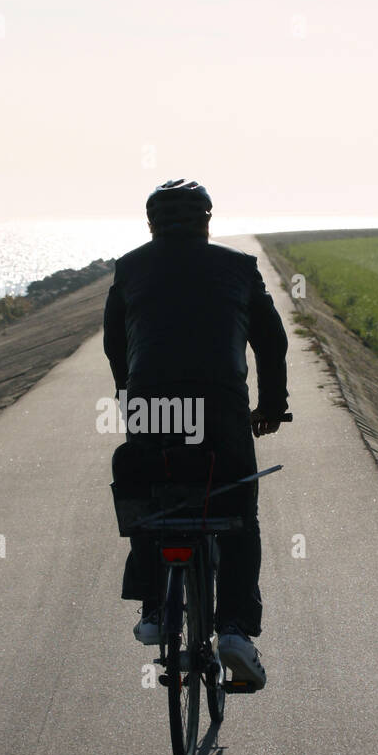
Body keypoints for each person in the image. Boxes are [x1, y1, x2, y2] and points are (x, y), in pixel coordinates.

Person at [103, 179, 288, 688]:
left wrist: (132, 403)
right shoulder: (238, 268)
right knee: (235, 513)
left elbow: (115, 346)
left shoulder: (130, 269)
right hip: (220, 408)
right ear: (208, 222)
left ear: (150, 226)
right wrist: (271, 406)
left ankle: (156, 609)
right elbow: (271, 342)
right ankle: (234, 630)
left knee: (151, 500)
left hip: (153, 405)